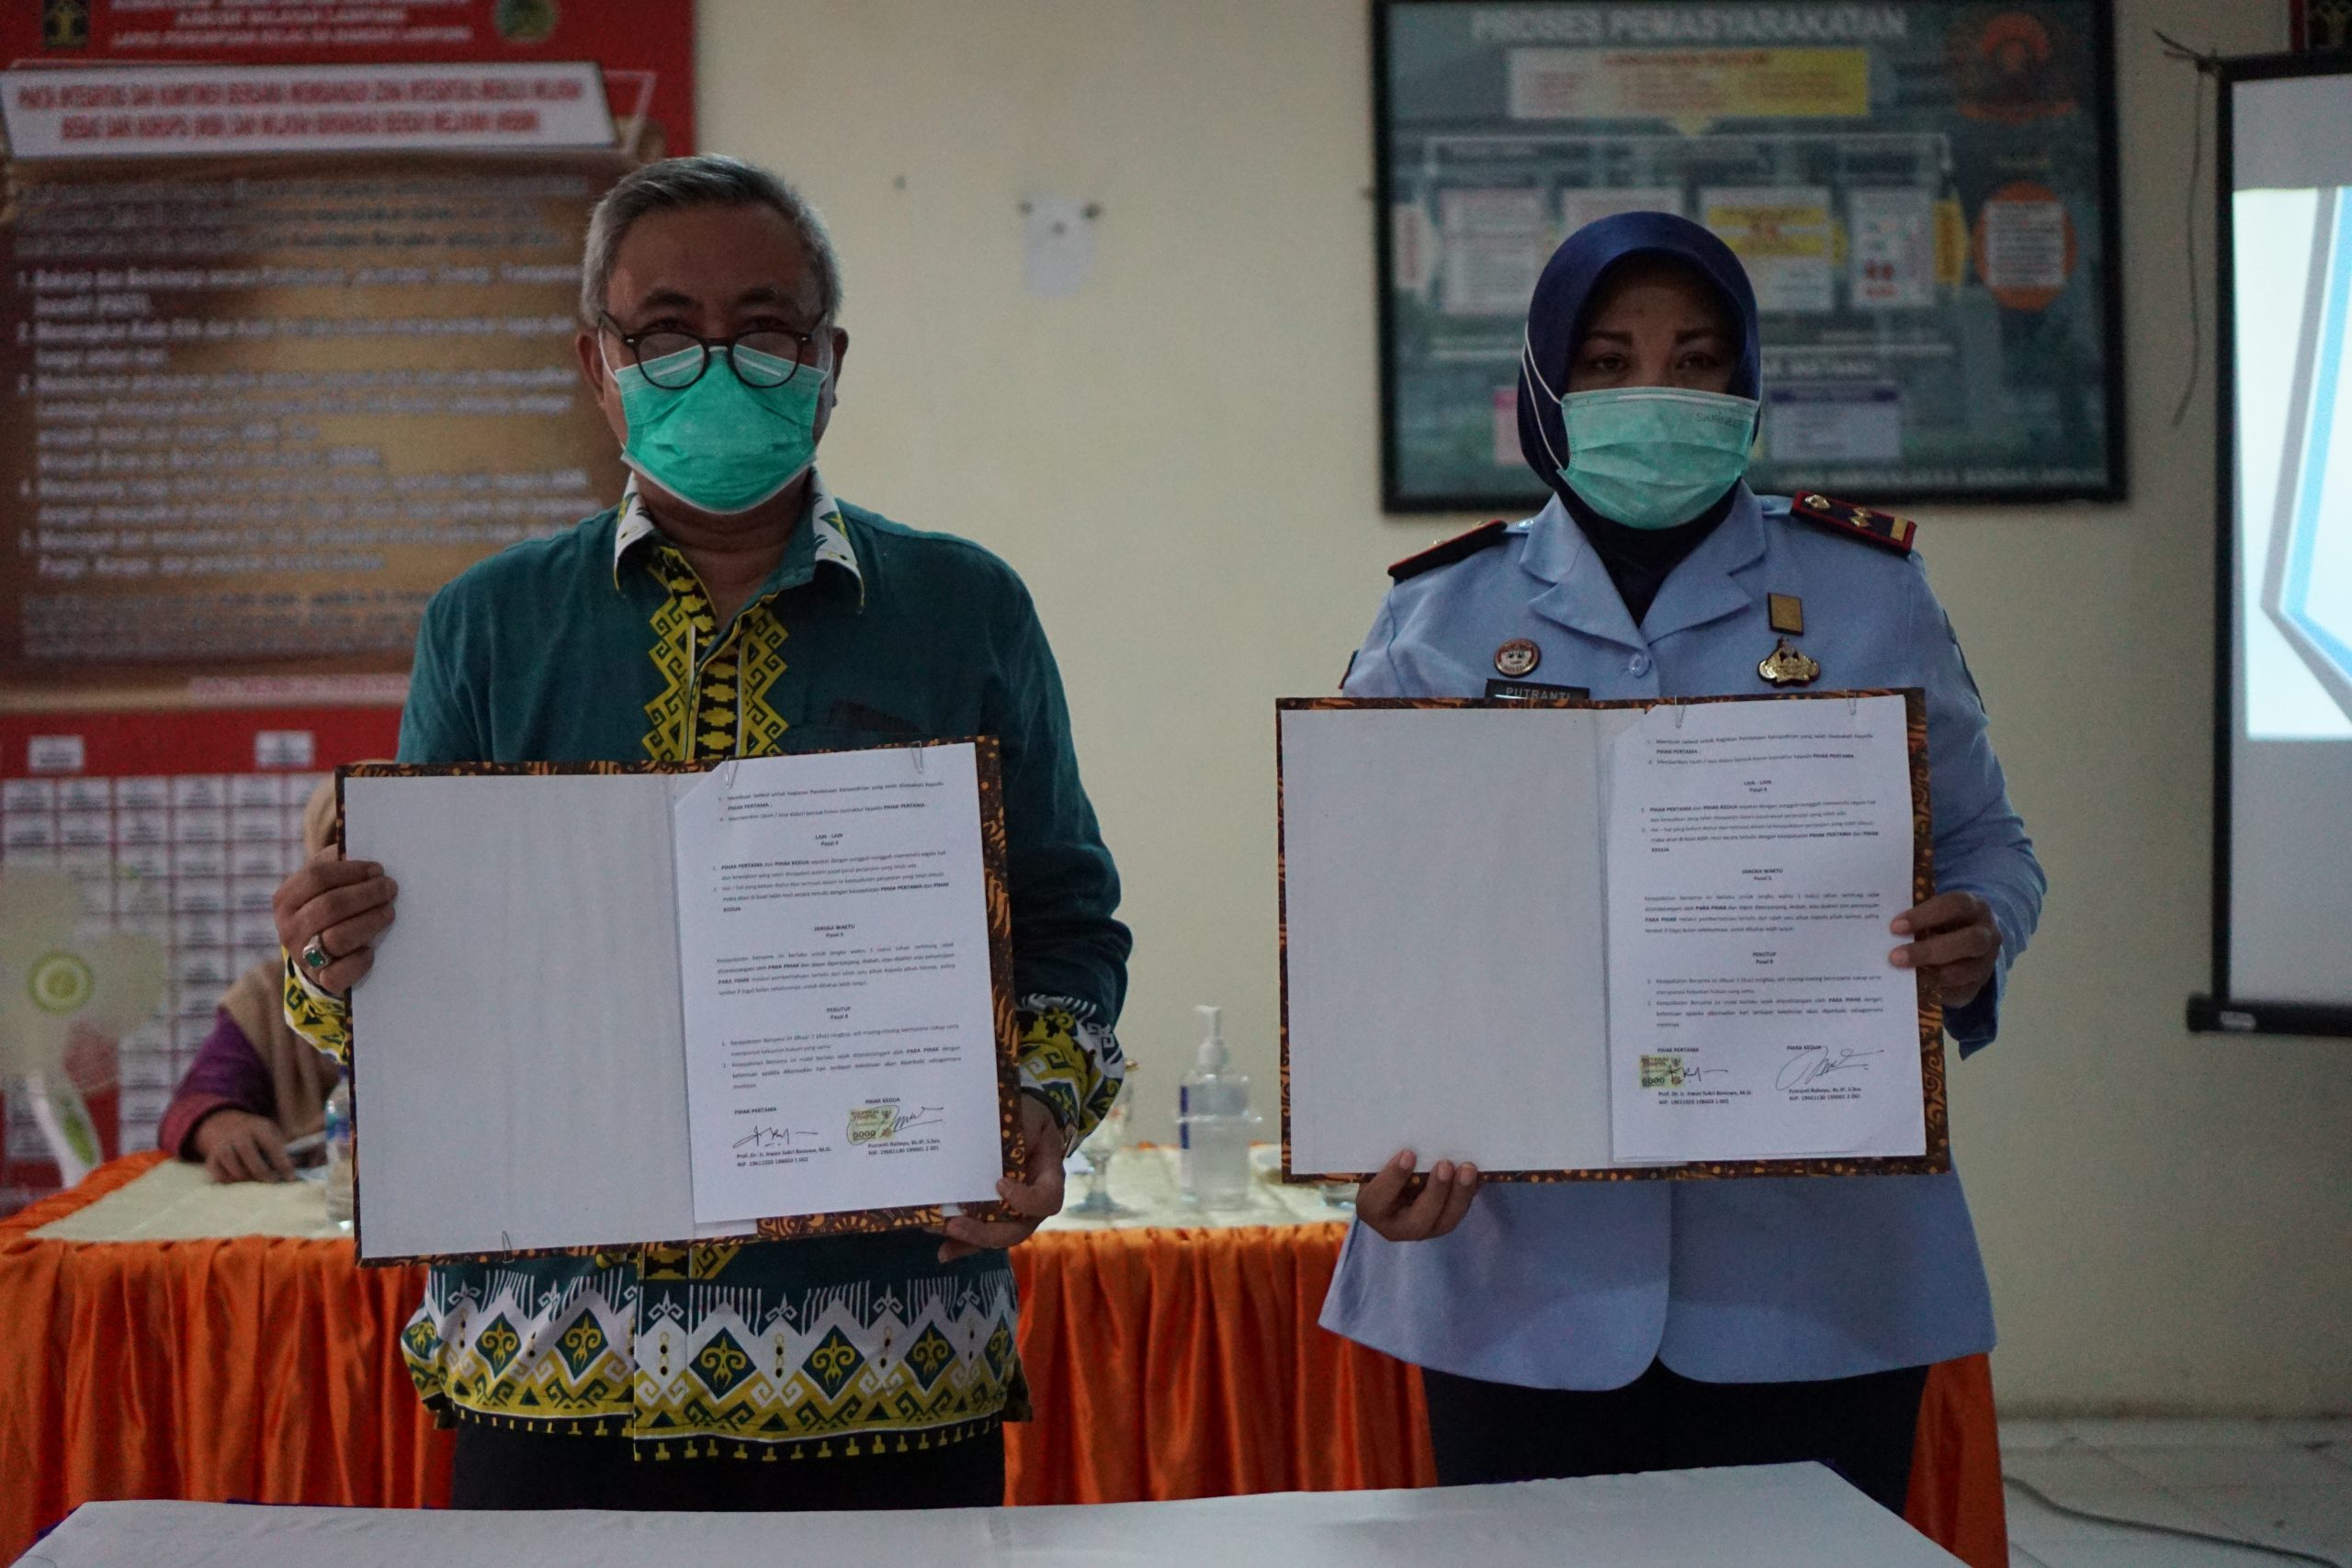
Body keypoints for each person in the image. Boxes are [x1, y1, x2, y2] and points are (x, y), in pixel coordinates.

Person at [268, 154, 1130, 1511]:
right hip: (550, 1359)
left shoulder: (962, 609)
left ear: (829, 360)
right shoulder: (489, 624)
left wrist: (1036, 1104)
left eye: (766, 328)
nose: (718, 366)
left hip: (882, 1355)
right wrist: (331, 955)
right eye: (666, 330)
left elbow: (1068, 925)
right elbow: (403, 992)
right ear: (598, 362)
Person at [1319, 211, 2045, 1514]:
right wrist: (1368, 1132)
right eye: (1607, 362)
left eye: (1697, 359)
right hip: (1520, 1273)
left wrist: (1978, 925)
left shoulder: (1869, 591)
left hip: (1816, 1274)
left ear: (1746, 379)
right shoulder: (1440, 614)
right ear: (1545, 385)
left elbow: (1992, 842)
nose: (1656, 392)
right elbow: (1365, 917)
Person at [159, 779, 345, 1184]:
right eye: (340, 855)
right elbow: (197, 1100)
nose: (356, 892)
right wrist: (224, 1126)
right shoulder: (270, 992)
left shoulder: (462, 988)